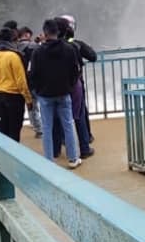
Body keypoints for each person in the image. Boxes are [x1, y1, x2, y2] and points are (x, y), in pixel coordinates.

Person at [29, 18, 82, 168]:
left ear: (45, 33)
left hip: (45, 96)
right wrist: (69, 87)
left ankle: (49, 161)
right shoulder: (69, 49)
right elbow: (75, 71)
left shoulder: (37, 52)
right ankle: (73, 159)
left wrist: (37, 90)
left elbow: (33, 75)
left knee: (47, 127)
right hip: (64, 94)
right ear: (58, 32)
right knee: (68, 125)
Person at [51, 15, 97, 159]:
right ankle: (84, 147)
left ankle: (56, 149)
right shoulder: (76, 45)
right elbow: (93, 56)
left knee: (56, 118)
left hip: (54, 87)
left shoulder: (47, 46)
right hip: (74, 85)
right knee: (79, 116)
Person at [0, 27, 32, 142]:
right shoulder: (13, 56)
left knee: (4, 128)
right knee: (15, 129)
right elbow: (21, 81)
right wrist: (28, 99)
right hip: (14, 97)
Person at [17, 26, 42, 137]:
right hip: (36, 80)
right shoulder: (34, 47)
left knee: (31, 105)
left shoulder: (15, 48)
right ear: (27, 34)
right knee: (44, 105)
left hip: (23, 81)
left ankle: (37, 127)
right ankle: (43, 128)